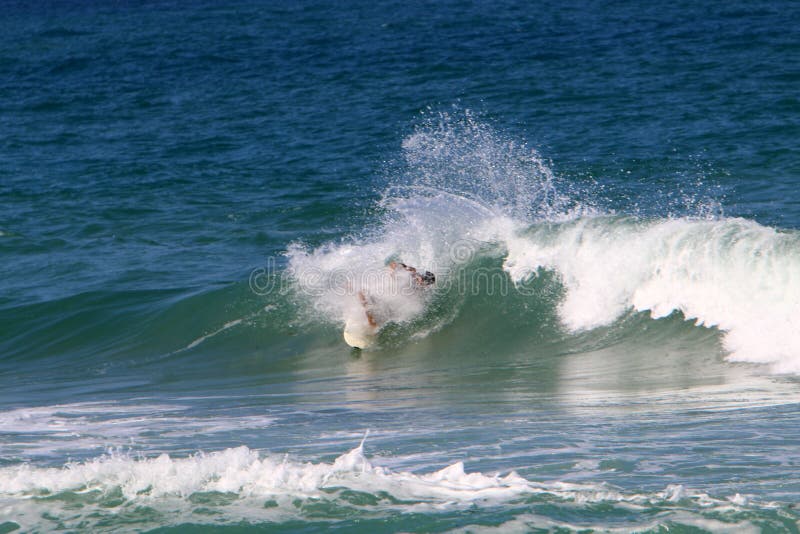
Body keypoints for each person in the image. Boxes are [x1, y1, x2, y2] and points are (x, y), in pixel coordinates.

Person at [357, 261, 435, 328]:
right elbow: (394, 264)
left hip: (392, 297)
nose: (422, 283)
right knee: (365, 295)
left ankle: (371, 321)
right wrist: (394, 272)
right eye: (422, 279)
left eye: (425, 284)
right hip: (386, 288)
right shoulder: (412, 272)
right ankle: (371, 322)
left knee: (385, 309)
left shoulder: (421, 289)